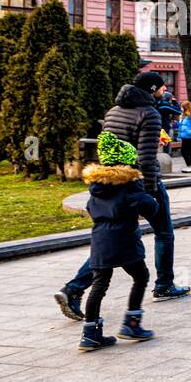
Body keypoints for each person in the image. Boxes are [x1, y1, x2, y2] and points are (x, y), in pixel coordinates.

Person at [55, 72, 189, 323]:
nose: (163, 93)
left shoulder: (114, 110)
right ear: (152, 90)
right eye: (161, 89)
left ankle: (73, 288)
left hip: (114, 180)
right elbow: (147, 158)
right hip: (139, 181)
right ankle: (164, 285)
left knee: (114, 240)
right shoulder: (149, 114)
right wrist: (150, 194)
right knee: (164, 232)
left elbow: (107, 146)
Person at [77, 131, 159, 351]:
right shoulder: (130, 186)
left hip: (100, 240)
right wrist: (151, 200)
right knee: (141, 276)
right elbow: (149, 207)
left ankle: (90, 334)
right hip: (124, 240)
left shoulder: (97, 188)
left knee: (99, 285)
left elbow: (89, 208)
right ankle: (132, 324)